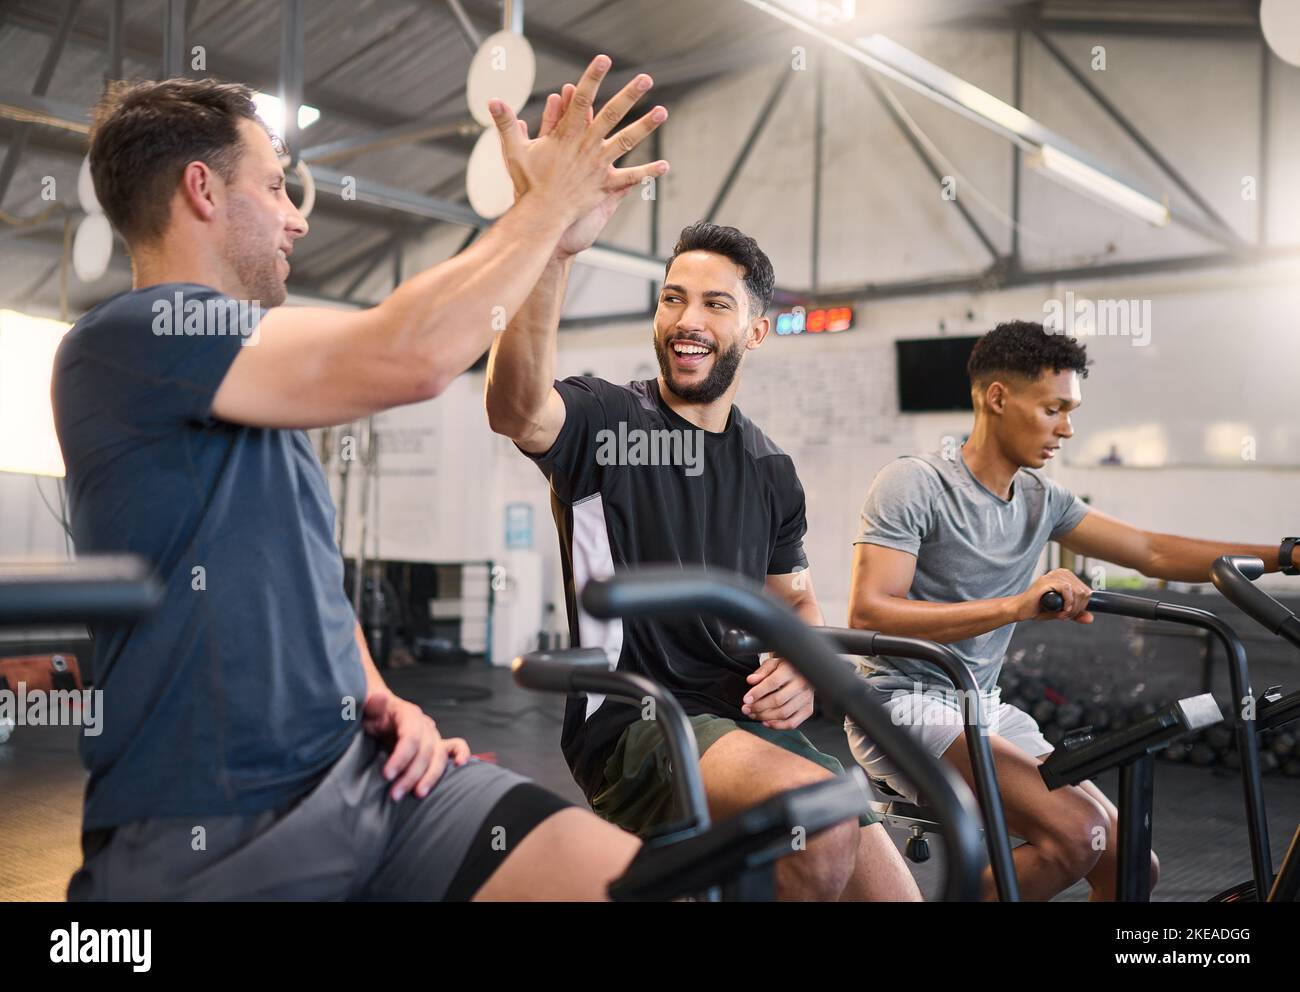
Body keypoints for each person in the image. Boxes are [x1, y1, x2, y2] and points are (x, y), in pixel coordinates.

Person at [53, 56, 667, 901]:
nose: (296, 219)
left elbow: (309, 584)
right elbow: (411, 354)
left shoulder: (254, 386)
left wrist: (381, 696)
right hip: (212, 831)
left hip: (376, 784)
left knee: (631, 885)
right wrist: (543, 204)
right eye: (274, 188)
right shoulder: (129, 336)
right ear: (201, 188)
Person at [483, 193, 920, 899]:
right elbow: (517, 408)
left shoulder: (770, 468)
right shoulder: (608, 419)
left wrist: (802, 665)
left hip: (742, 722)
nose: (688, 321)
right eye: (673, 300)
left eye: (716, 304)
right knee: (823, 826)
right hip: (637, 722)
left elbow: (797, 601)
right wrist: (553, 247)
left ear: (755, 332)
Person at [846, 319, 1293, 900]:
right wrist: (1015, 605)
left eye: (1071, 410)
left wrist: (1288, 556)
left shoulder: (1042, 498)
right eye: (1054, 409)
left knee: (1132, 865)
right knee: (1079, 837)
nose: (1068, 428)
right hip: (900, 708)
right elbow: (870, 614)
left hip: (982, 708)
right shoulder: (915, 483)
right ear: (998, 397)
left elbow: (1152, 549)